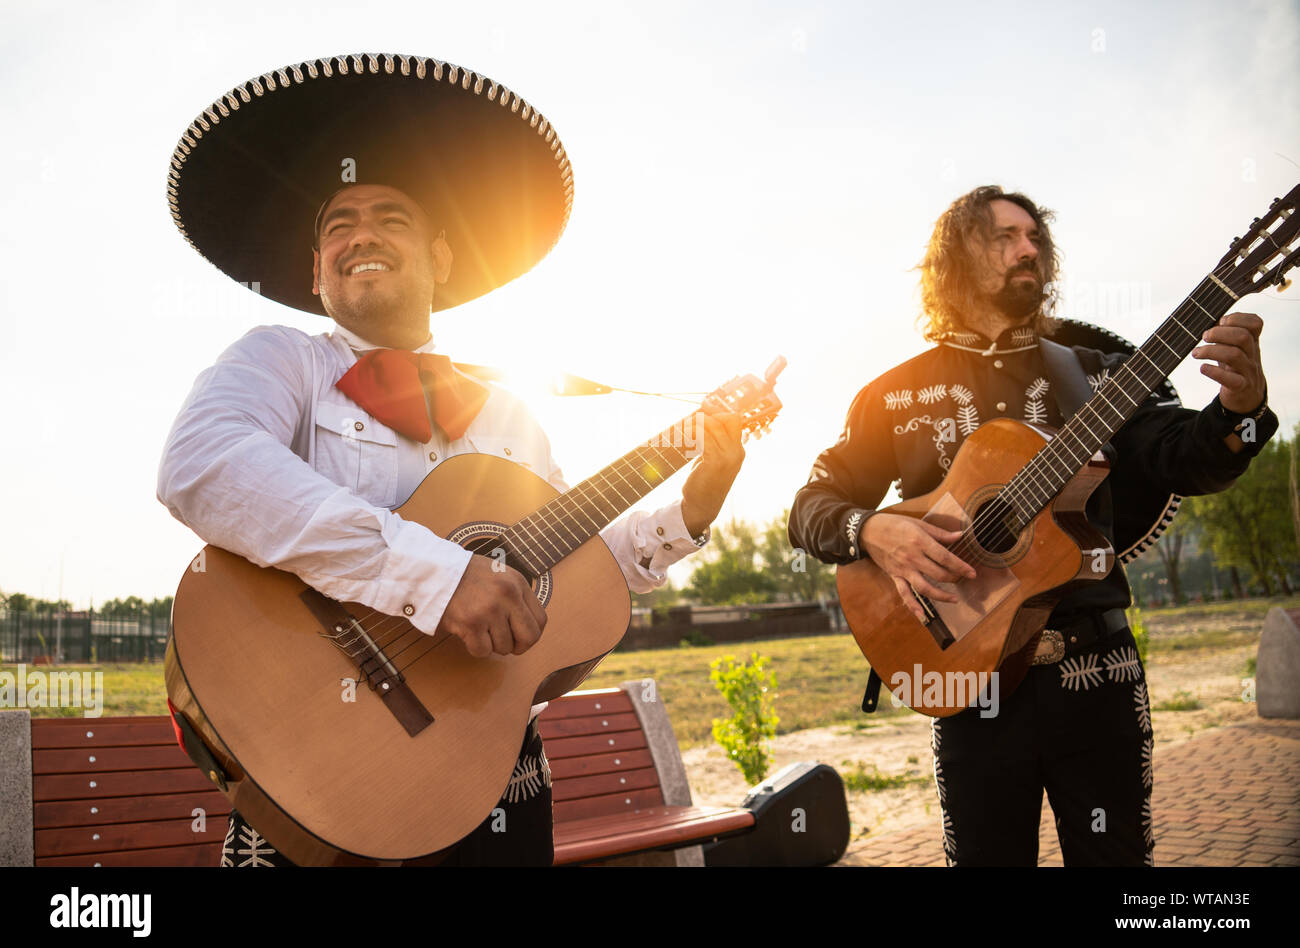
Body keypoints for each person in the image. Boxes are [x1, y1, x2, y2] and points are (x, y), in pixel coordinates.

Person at [156, 54, 745, 866]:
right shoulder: (281, 360)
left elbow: (575, 559)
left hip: (493, 777)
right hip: (321, 775)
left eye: (390, 217)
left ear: (440, 258)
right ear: (315, 271)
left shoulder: (507, 407)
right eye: (338, 224)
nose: (360, 233)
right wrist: (438, 576)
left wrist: (693, 505)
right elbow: (203, 463)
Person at [787, 185, 1276, 866]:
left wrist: (1241, 409)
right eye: (1005, 237)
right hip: (963, 678)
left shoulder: (1098, 374)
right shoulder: (891, 396)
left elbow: (1187, 456)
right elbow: (810, 506)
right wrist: (873, 531)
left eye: (1034, 238)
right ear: (957, 258)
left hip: (1096, 674)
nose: (1028, 250)